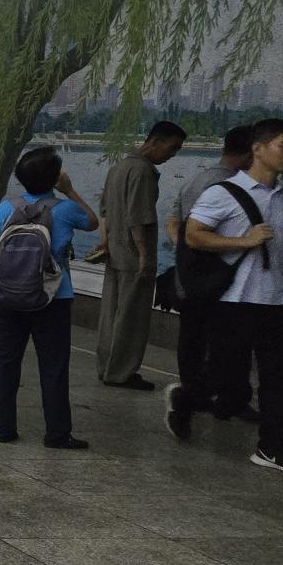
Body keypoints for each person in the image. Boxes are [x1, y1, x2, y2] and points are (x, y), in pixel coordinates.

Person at [182, 120, 283, 473]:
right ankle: (183, 401)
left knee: (280, 378)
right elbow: (193, 236)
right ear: (258, 149)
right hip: (234, 301)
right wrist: (243, 241)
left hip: (279, 300)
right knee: (225, 375)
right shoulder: (222, 193)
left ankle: (271, 445)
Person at [0, 146, 97, 449]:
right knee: (53, 366)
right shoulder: (64, 209)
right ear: (54, 178)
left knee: (5, 362)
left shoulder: (7, 206)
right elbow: (93, 222)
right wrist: (70, 190)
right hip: (54, 298)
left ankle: (3, 428)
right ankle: (57, 433)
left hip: (8, 296)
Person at [164, 124, 257, 435]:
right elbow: (195, 233)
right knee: (222, 344)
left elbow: (175, 222)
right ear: (250, 153)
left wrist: (184, 259)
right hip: (217, 279)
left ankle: (197, 393)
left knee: (193, 339)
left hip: (194, 277)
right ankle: (201, 396)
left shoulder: (196, 177)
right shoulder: (230, 186)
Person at [97, 121, 188, 389]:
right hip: (133, 255)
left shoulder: (119, 167)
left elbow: (105, 210)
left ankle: (106, 367)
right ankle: (122, 371)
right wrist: (145, 256)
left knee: (110, 313)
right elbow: (139, 219)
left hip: (115, 250)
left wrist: (105, 242)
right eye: (172, 148)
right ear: (155, 142)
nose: (173, 155)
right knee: (132, 317)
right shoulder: (143, 171)